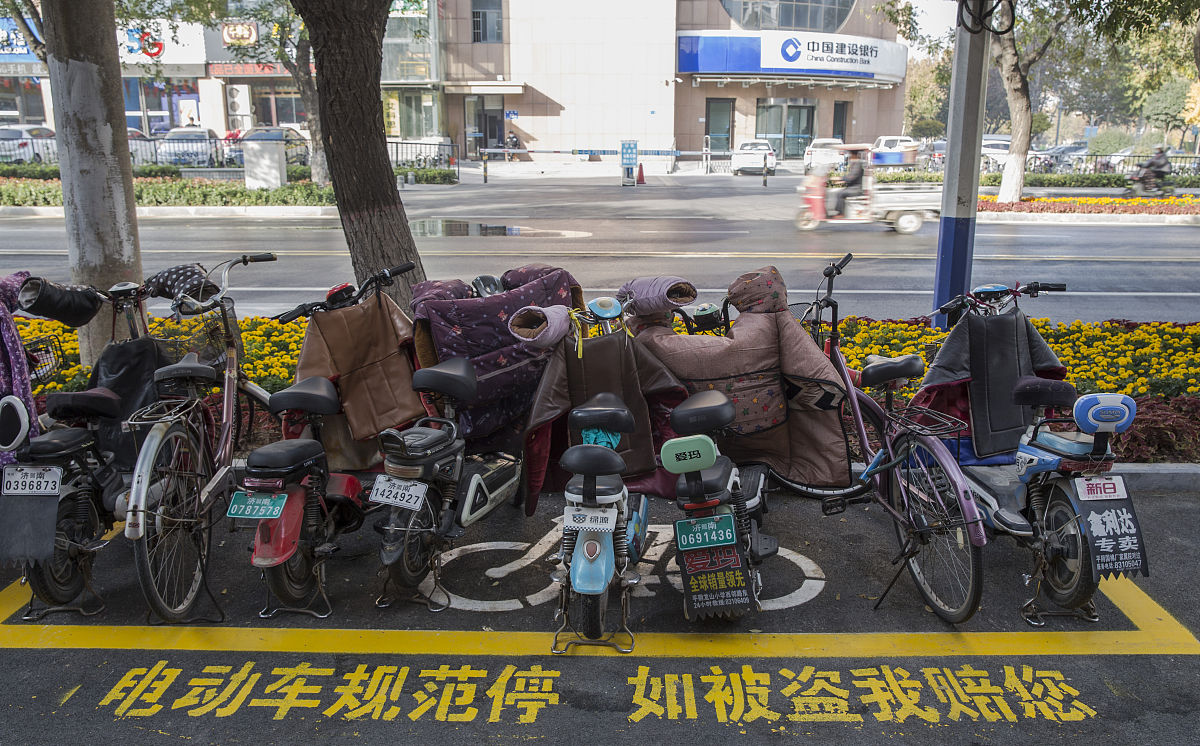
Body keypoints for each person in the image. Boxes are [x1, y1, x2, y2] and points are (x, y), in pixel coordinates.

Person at [832, 150, 864, 216]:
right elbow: (851, 177)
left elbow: (851, 177)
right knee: (836, 192)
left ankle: (840, 213)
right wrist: (841, 181)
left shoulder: (857, 164)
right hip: (853, 187)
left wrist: (840, 178)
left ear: (854, 155)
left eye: (850, 154)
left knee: (840, 194)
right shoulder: (855, 164)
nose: (849, 156)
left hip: (855, 189)